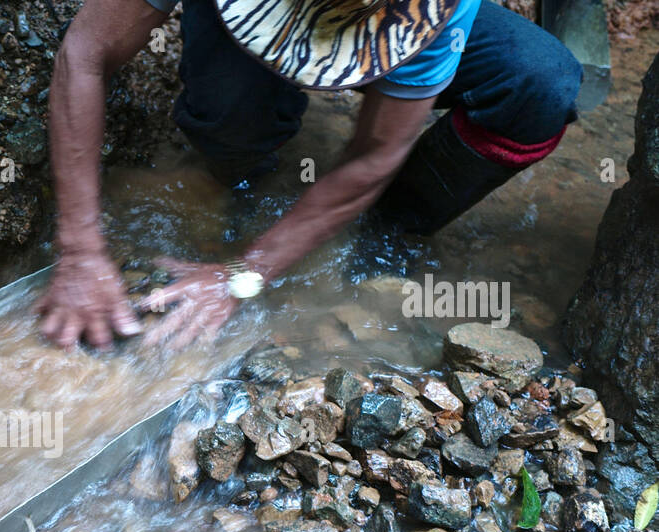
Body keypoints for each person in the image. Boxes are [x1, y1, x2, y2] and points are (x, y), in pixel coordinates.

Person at [35, 0, 583, 349]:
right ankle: (234, 167)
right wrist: (80, 247)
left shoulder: (432, 11)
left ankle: (385, 229)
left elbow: (374, 155)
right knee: (230, 125)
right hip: (238, 17)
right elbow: (85, 53)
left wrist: (244, 275)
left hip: (383, 20)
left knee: (541, 83)